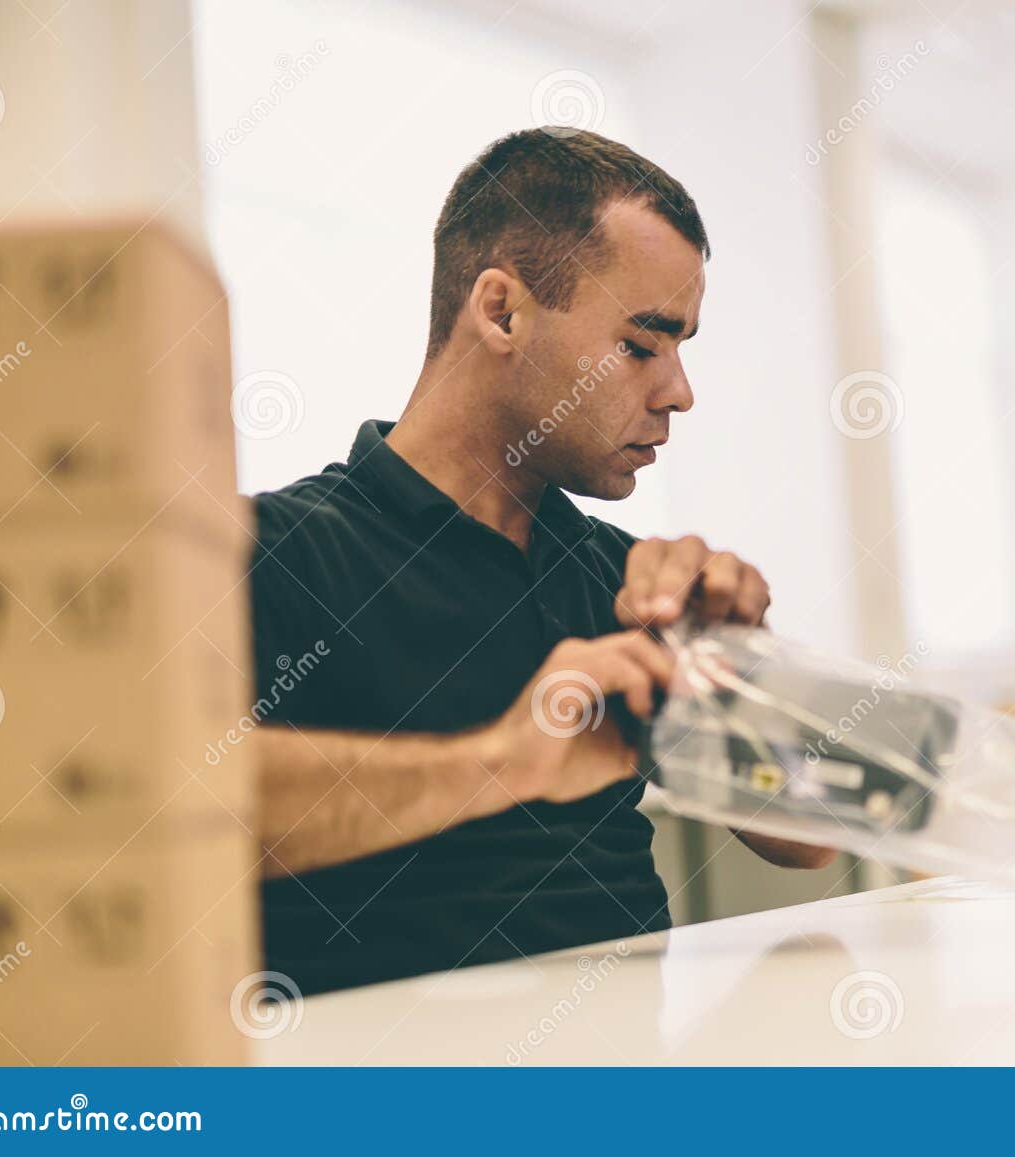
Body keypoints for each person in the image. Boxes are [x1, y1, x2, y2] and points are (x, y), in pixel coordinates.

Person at [247, 128, 833, 995]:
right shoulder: (277, 553)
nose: (678, 392)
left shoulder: (621, 579)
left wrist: (742, 671)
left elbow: (809, 836)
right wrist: (501, 759)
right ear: (502, 312)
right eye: (642, 344)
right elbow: (154, 821)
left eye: (682, 349)